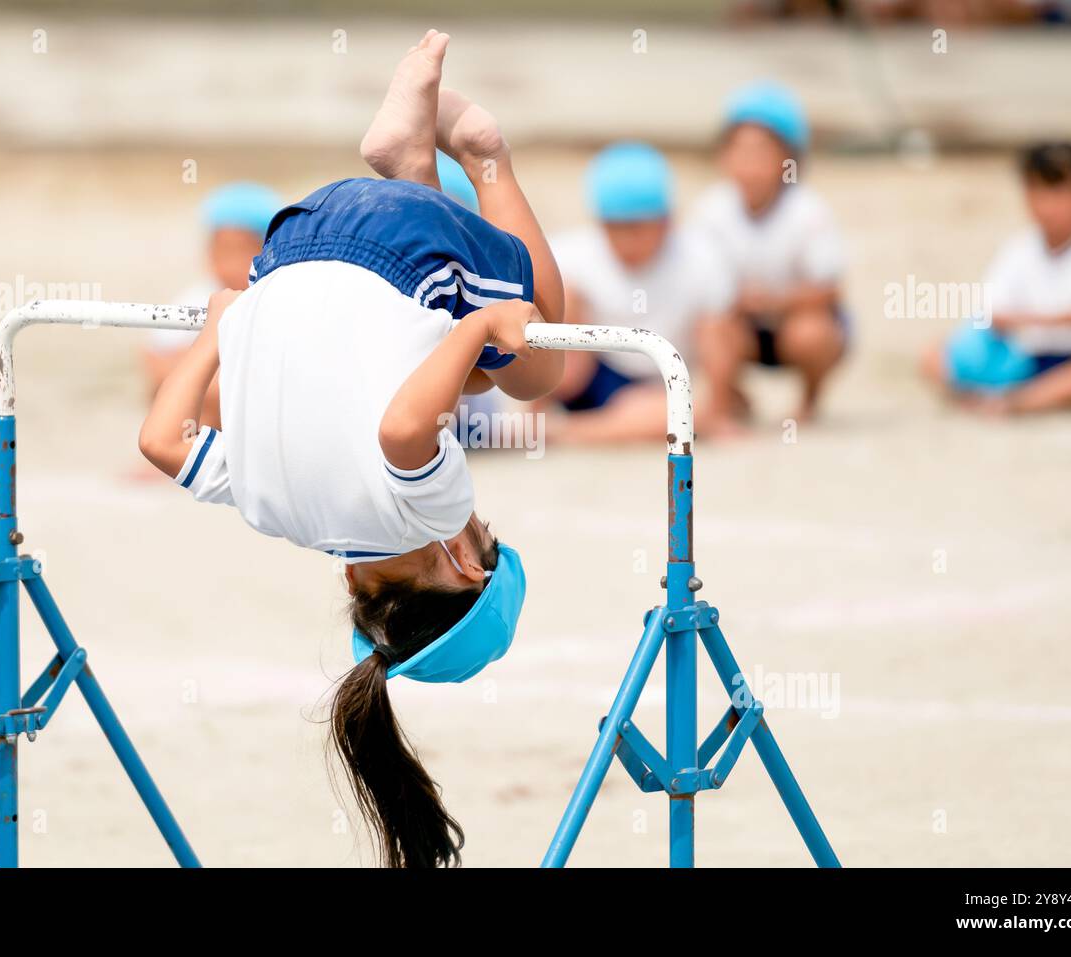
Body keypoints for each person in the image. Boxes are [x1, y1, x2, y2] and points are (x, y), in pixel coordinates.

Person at [137, 31, 564, 868]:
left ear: (466, 564)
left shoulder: (429, 513)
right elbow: (160, 441)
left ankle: (482, 158)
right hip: (286, 243)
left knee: (536, 364)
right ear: (351, 582)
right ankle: (408, 159)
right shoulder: (269, 509)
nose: (479, 522)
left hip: (389, 245)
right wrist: (220, 330)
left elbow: (404, 431)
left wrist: (487, 323)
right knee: (470, 377)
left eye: (486, 536)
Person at [921, 142, 1071, 413]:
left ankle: (1019, 401)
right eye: (1037, 192)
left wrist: (1024, 320)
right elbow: (991, 311)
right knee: (935, 353)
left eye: (1057, 192)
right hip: (1026, 359)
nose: (1047, 206)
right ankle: (1007, 397)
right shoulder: (1019, 248)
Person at [542, 142, 733, 444]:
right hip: (591, 378)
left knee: (717, 332)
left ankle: (569, 432)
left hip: (662, 384)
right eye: (615, 228)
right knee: (562, 292)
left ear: (667, 222)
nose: (626, 242)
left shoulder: (701, 257)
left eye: (637, 228)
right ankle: (542, 418)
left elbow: (717, 342)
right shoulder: (571, 253)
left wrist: (718, 406)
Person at [693, 82, 849, 437]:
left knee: (812, 333)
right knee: (707, 324)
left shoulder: (809, 211)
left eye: (762, 152)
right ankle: (728, 397)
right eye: (740, 151)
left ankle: (810, 397)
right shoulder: (711, 209)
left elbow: (830, 289)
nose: (750, 164)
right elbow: (698, 279)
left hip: (792, 321)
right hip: (739, 322)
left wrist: (777, 301)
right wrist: (736, 299)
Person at [141, 182, 283, 429]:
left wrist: (193, 370)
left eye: (242, 251)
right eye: (221, 251)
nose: (229, 265)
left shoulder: (275, 302)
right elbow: (154, 367)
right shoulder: (194, 300)